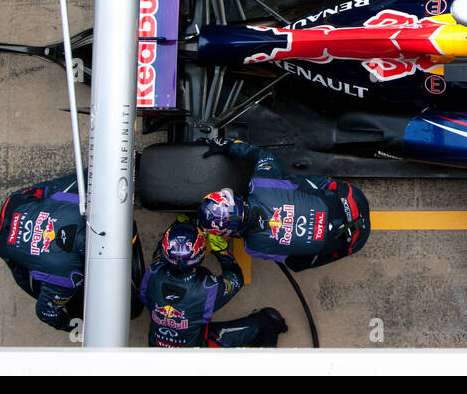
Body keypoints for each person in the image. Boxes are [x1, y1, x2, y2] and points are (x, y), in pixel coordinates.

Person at [0, 173, 144, 334]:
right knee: (36, 287)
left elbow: (59, 197)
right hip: (5, 242)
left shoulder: (79, 205)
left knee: (90, 177)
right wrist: (80, 329)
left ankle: (133, 163)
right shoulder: (66, 276)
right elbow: (46, 313)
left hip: (16, 204)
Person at [197, 139, 370, 270]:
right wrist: (228, 146)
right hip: (354, 199)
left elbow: (283, 253)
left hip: (354, 242)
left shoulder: (254, 247)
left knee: (294, 264)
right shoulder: (261, 184)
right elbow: (266, 156)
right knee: (291, 182)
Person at [139, 221, 286, 348]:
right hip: (194, 351)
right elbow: (236, 278)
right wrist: (223, 252)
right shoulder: (207, 290)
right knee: (269, 320)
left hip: (156, 350)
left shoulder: (153, 270)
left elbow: (144, 297)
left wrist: (177, 224)